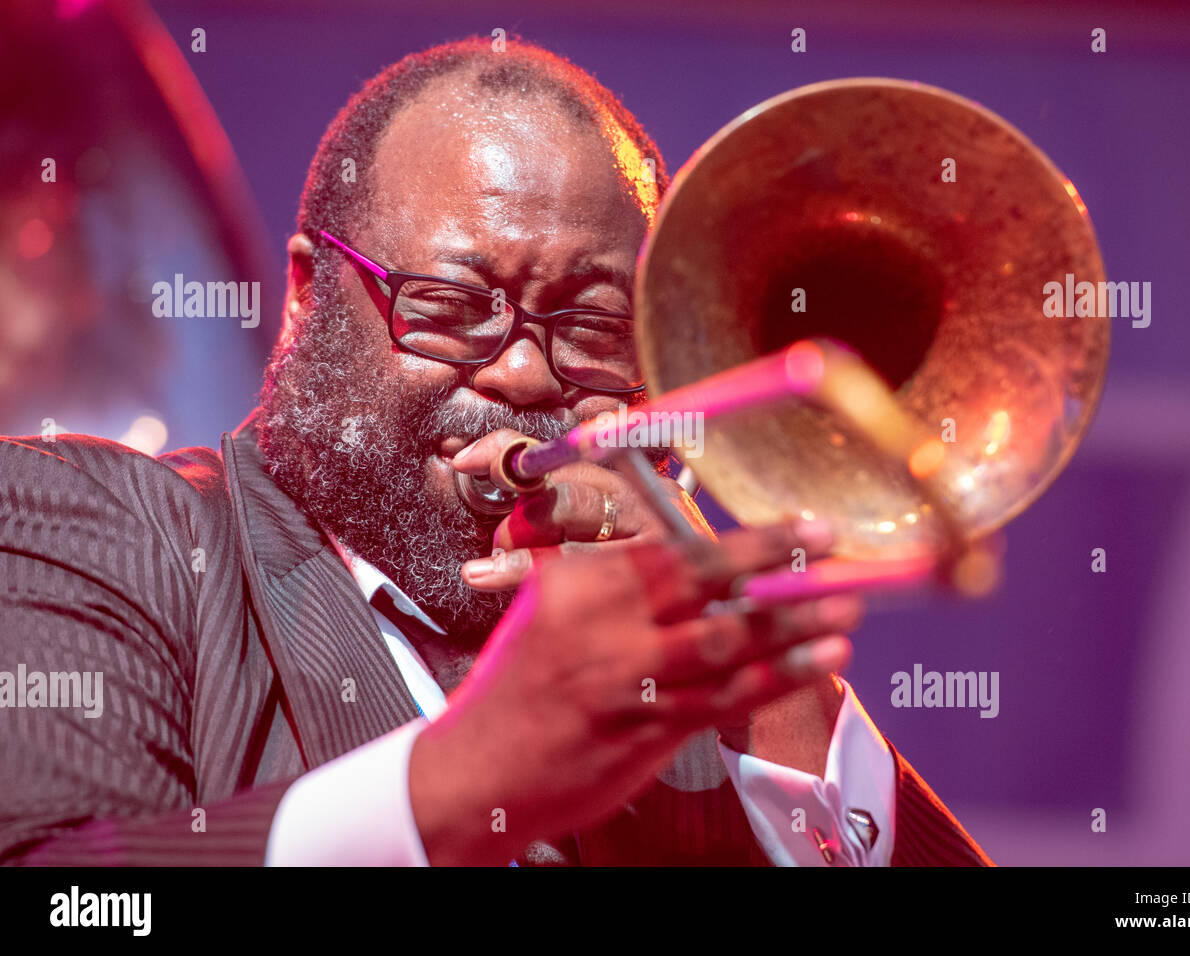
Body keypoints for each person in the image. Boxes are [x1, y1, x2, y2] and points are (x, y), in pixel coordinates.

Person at [0, 36, 991, 866]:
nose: (522, 373)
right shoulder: (96, 523)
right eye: (447, 306)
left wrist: (773, 700)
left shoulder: (685, 685)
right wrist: (459, 781)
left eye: (592, 321)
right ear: (308, 299)